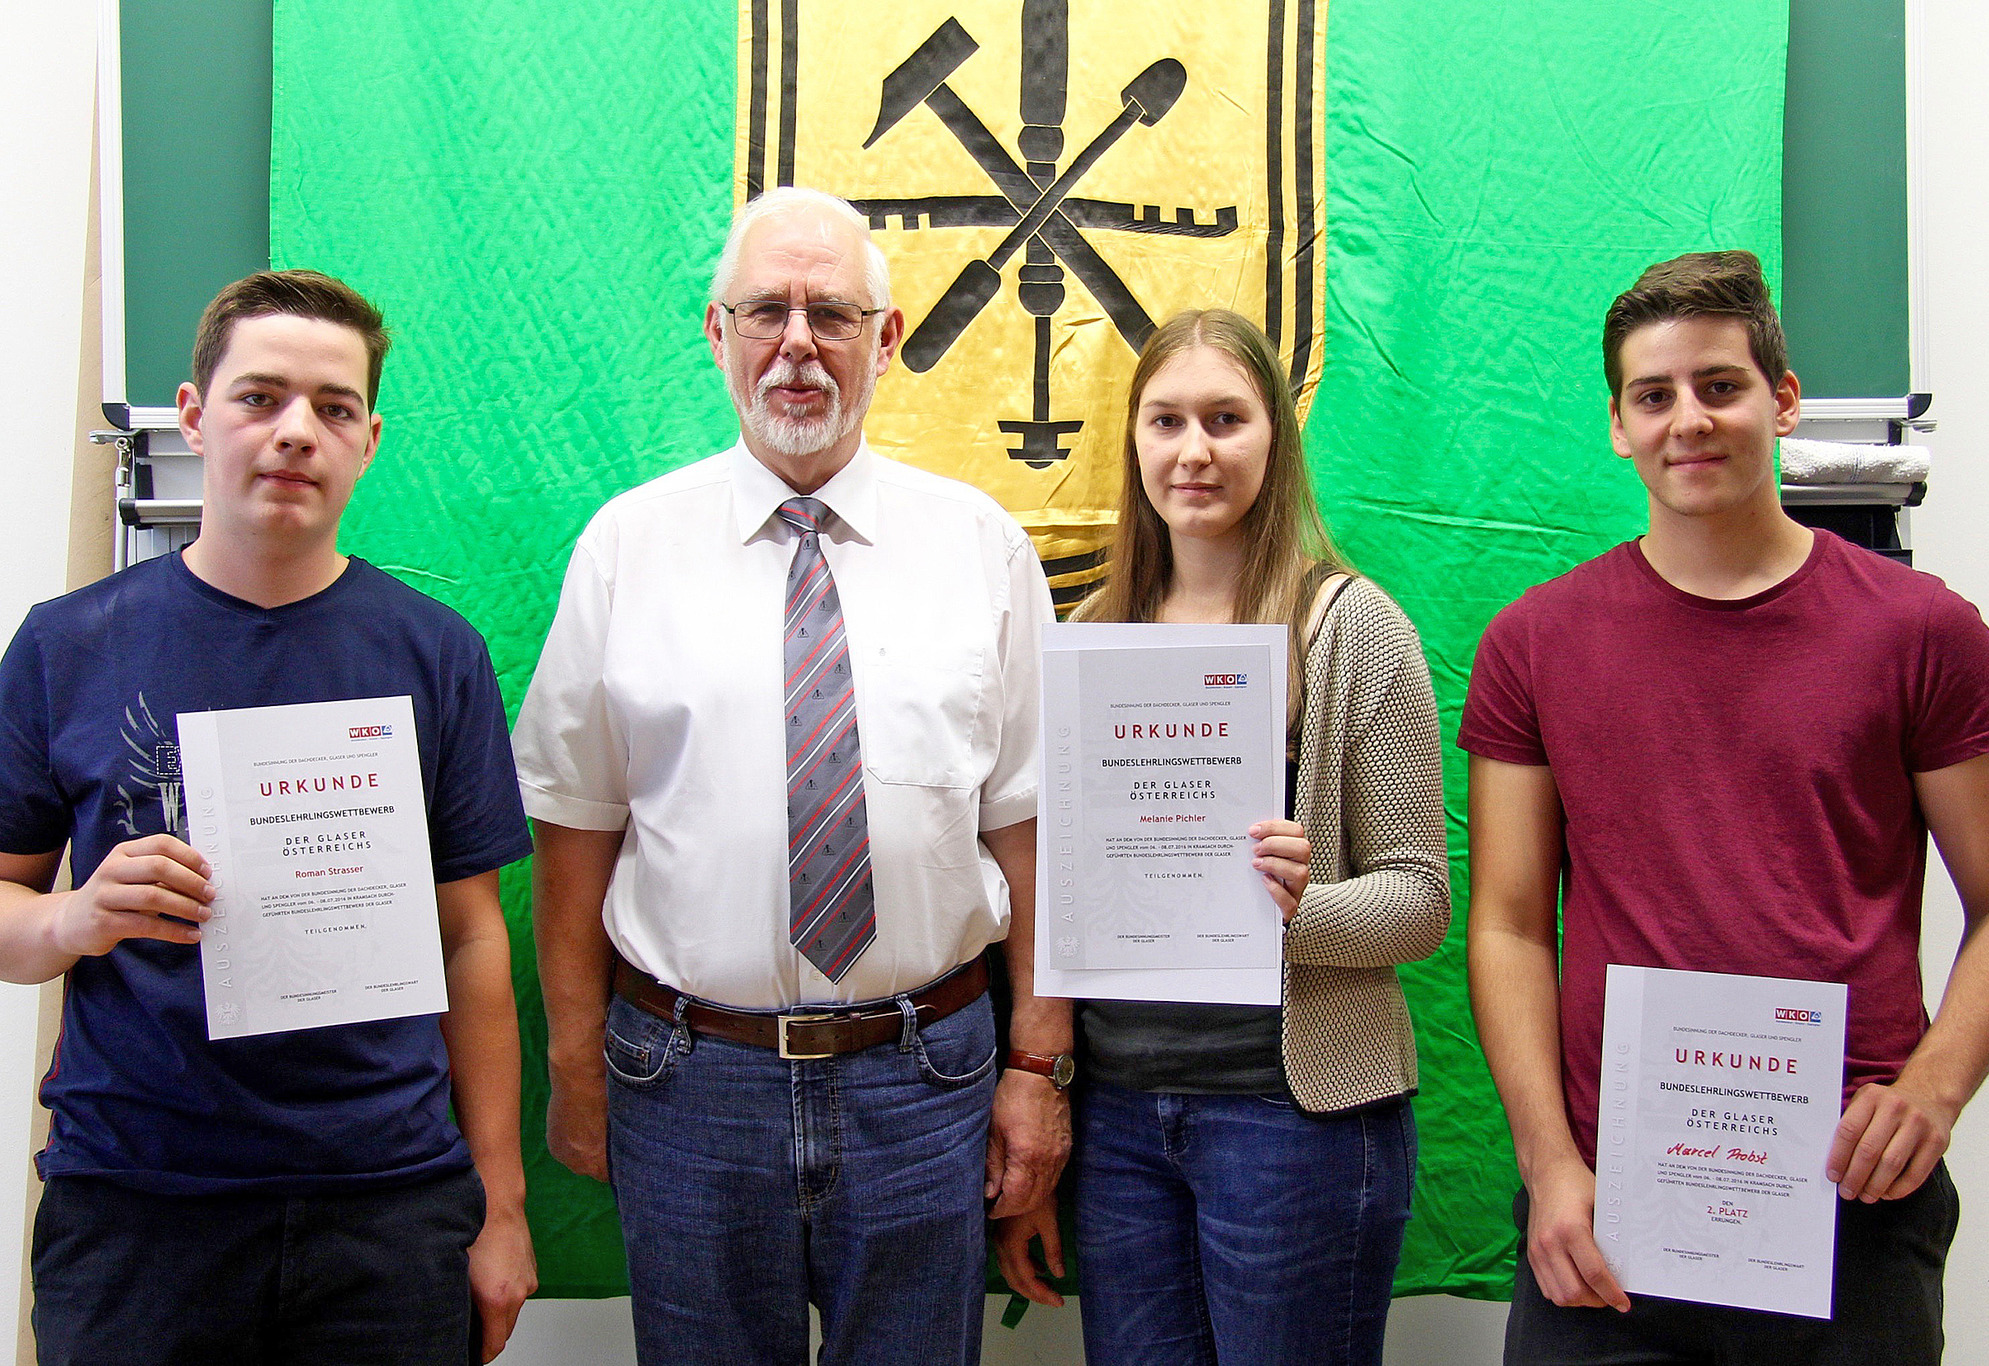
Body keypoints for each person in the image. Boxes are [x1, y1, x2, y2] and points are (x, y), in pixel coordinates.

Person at [513, 186, 1069, 1366]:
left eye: (832, 312)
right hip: (685, 1079)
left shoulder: (982, 549)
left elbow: (1031, 836)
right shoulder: (626, 548)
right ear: (717, 334)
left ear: (889, 336)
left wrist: (1034, 1066)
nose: (798, 344)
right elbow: (574, 832)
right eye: (765, 310)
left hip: (926, 1076)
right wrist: (573, 1062)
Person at [1462, 250, 1989, 1364]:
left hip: (1850, 1194)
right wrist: (1547, 1165)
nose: (1687, 419)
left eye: (1718, 386)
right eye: (1653, 395)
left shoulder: (1918, 631)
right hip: (1606, 1207)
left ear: (1780, 402)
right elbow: (1503, 921)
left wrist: (1932, 1089)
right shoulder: (1533, 643)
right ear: (1617, 427)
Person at [0, 270, 539, 1364]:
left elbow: (473, 935)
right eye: (260, 397)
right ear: (196, 414)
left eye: (333, 408)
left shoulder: (434, 653)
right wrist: (72, 920)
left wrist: (504, 1203)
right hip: (138, 1206)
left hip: (387, 1206)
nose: (297, 431)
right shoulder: (66, 645)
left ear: (369, 438)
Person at [995, 308, 1451, 1366]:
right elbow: (1058, 895)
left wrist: (1292, 911)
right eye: (1165, 421)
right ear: (1134, 443)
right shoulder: (1089, 642)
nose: (1192, 450)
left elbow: (1419, 896)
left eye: (1224, 419)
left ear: (1274, 441)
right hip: (1116, 1124)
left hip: (1296, 1122)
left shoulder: (1352, 626)